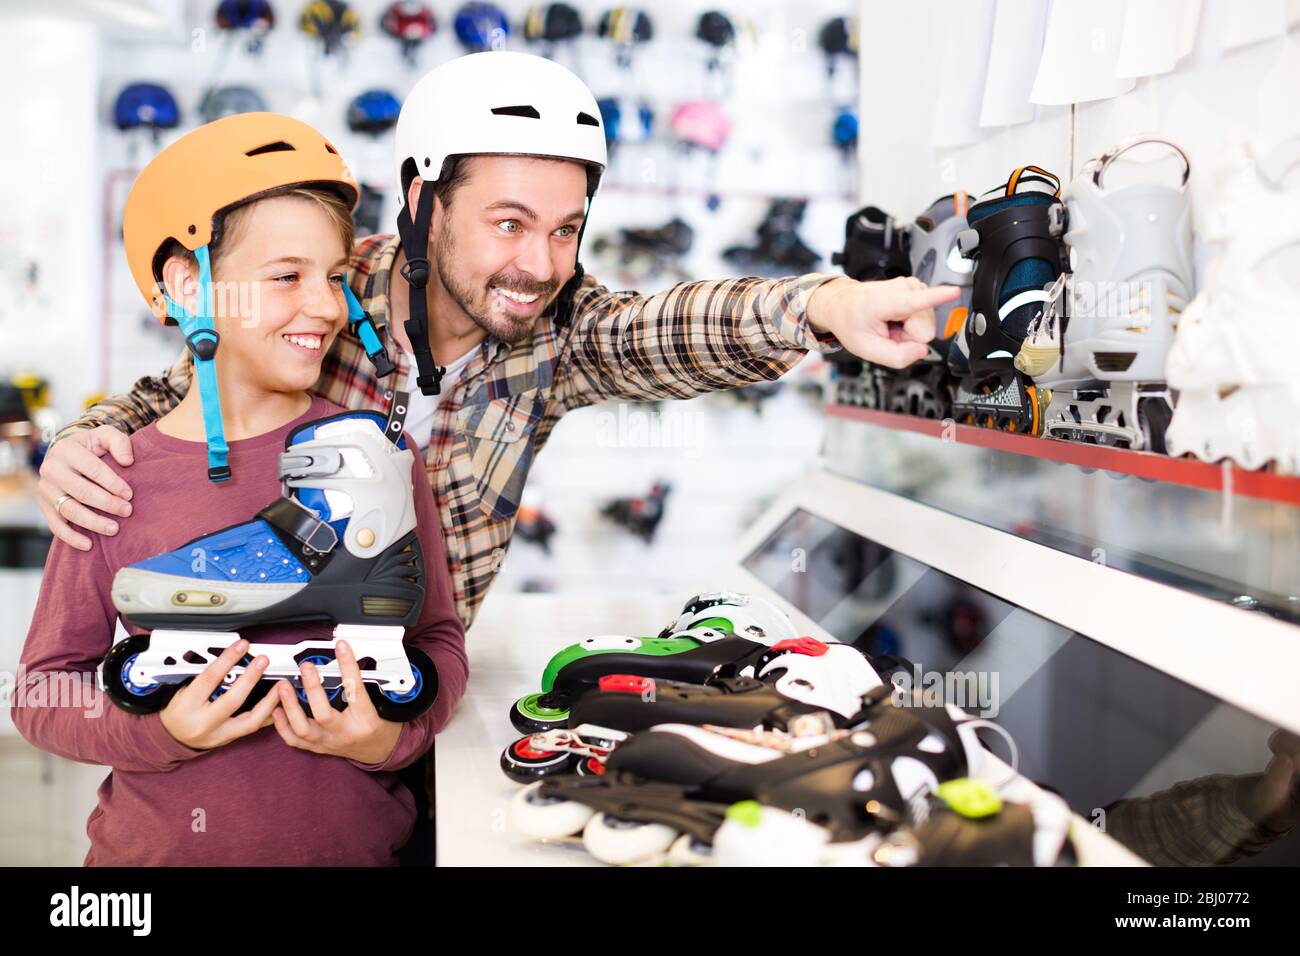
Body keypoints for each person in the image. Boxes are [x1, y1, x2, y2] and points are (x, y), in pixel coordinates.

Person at [37, 51, 956, 629]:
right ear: (420, 204)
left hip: (417, 698)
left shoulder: (552, 336)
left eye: (566, 227)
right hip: (265, 687)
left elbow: (663, 328)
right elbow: (180, 391)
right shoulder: (319, 298)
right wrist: (80, 441)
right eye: (508, 223)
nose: (540, 263)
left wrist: (823, 306)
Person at [13, 113, 467, 866]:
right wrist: (160, 734)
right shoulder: (109, 475)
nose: (323, 307)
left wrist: (389, 739)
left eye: (333, 277)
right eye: (286, 277)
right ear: (190, 284)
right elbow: (41, 691)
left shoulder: (377, 454)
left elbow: (436, 645)